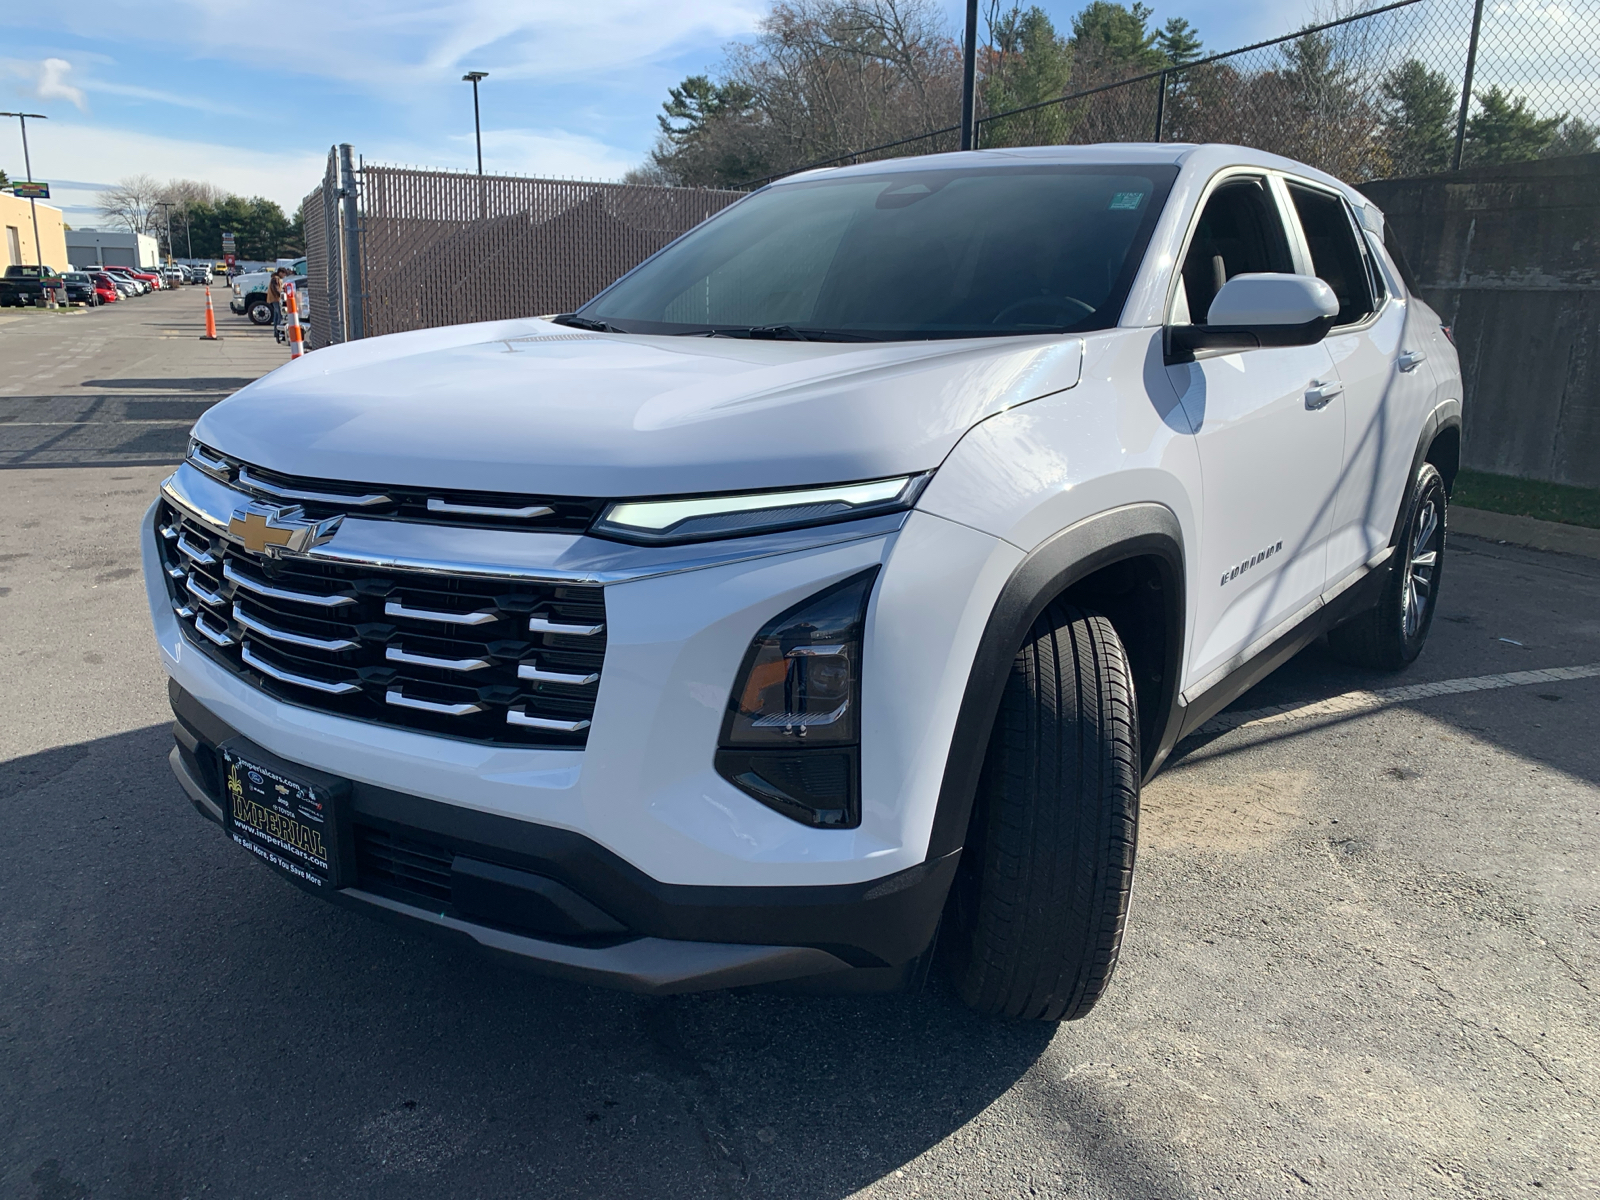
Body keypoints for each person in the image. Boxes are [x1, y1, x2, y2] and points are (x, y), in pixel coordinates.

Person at [266, 267, 288, 343]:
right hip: (276, 299)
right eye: (284, 274)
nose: (284, 276)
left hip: (273, 299)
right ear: (280, 273)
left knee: (276, 317)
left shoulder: (274, 278)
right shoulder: (276, 279)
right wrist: (281, 295)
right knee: (279, 316)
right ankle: (278, 332)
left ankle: (276, 332)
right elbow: (275, 289)